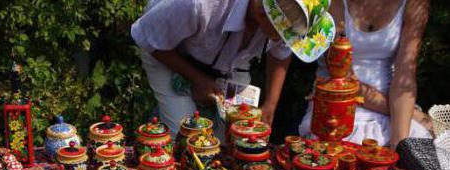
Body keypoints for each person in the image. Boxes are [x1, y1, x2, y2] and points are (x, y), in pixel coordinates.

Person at [131, 0, 336, 136]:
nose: (283, 41)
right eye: (280, 35)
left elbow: (280, 53)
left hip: (229, 57)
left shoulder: (285, 12)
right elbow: (146, 37)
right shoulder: (197, 4)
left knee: (235, 137)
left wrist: (271, 104)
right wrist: (197, 78)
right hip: (167, 48)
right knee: (186, 135)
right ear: (263, 14)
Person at [299, 0, 433, 147]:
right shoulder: (331, 3)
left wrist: (400, 146)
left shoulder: (415, 3)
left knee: (413, 151)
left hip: (391, 102)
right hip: (338, 103)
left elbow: (404, 79)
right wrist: (412, 114)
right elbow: (342, 78)